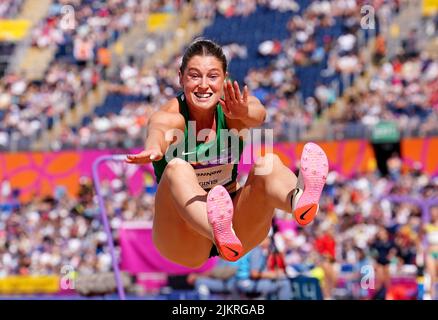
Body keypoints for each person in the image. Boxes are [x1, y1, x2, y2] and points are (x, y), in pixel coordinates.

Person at [125, 39, 329, 268]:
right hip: (183, 239)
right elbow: (159, 129)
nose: (203, 85)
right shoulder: (172, 116)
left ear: (224, 79)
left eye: (212, 76)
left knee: (267, 163)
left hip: (236, 230)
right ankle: (215, 226)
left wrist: (244, 111)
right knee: (176, 167)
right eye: (194, 76)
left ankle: (298, 200)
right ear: (181, 77)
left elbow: (259, 115)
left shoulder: (233, 110)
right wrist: (154, 147)